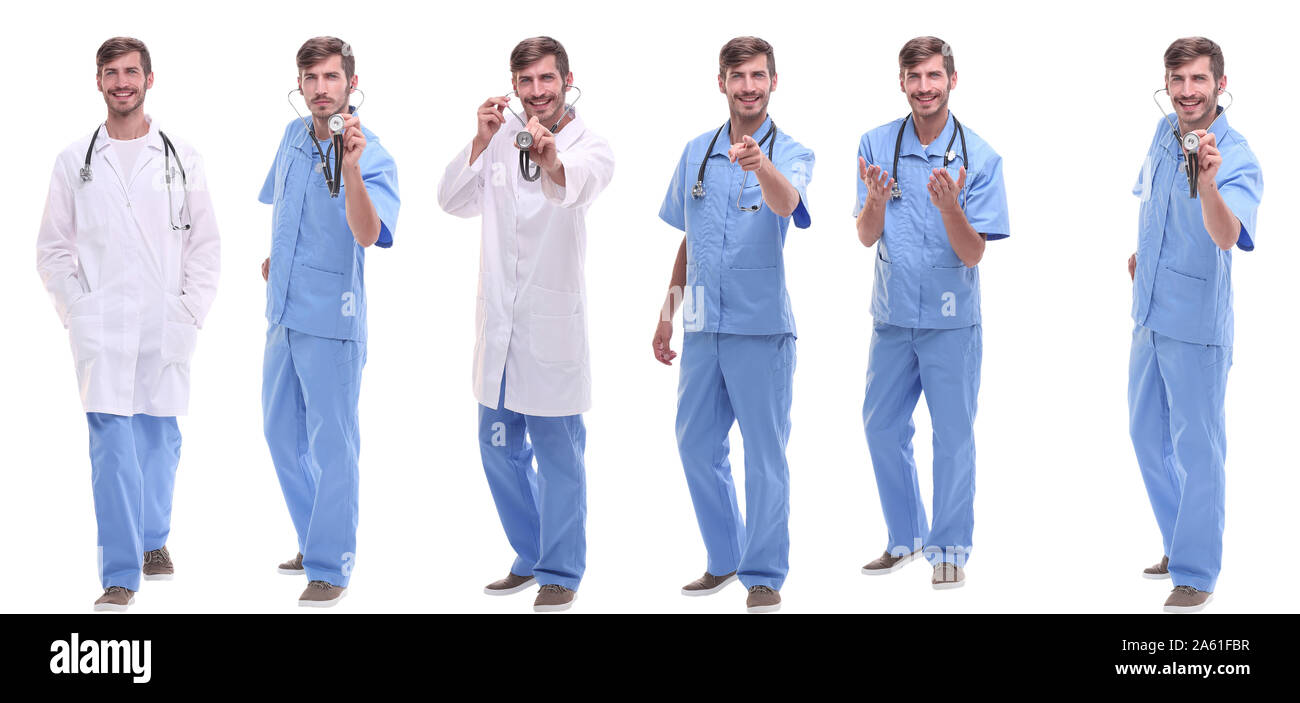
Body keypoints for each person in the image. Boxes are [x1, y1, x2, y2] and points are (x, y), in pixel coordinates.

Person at [37, 37, 221, 612]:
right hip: (103, 329)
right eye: (111, 73)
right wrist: (78, 312)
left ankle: (154, 539)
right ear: (98, 81)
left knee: (160, 444)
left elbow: (206, 244)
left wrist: (189, 311)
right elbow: (52, 250)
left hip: (164, 322)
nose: (122, 82)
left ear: (149, 79)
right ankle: (120, 573)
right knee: (111, 452)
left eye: (131, 72)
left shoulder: (181, 154)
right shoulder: (74, 161)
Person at [438, 36, 613, 613]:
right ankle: (532, 552)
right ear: (513, 84)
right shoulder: (496, 140)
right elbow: (450, 201)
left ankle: (561, 570)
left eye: (547, 80)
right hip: (501, 331)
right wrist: (480, 140)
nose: (537, 92)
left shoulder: (590, 145)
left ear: (566, 79)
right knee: (496, 448)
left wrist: (551, 159)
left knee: (559, 458)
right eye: (526, 81)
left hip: (551, 331)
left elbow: (576, 185)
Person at [653, 36, 813, 614]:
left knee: (765, 456)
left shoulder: (790, 152)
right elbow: (690, 239)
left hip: (760, 330)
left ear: (774, 82)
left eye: (759, 76)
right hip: (701, 327)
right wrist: (668, 314)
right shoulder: (697, 152)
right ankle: (725, 557)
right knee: (695, 443)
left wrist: (761, 164)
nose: (749, 85)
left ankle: (764, 573)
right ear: (721, 82)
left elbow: (788, 203)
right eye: (738, 75)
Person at [854, 37, 1009, 590]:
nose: (924, 87)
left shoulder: (980, 157)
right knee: (880, 426)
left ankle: (950, 547)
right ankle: (906, 536)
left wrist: (949, 208)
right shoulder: (875, 145)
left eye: (933, 76)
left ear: (952, 80)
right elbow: (867, 235)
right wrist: (875, 201)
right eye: (914, 77)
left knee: (952, 434)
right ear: (902, 82)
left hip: (951, 322)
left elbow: (974, 252)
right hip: (893, 318)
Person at [259, 36, 399, 608]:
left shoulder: (374, 152)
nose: (320, 88)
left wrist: (356, 170)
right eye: (311, 77)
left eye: (331, 78)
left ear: (351, 85)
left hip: (332, 323)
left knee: (333, 444)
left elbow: (369, 234)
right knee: (280, 433)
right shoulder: (293, 137)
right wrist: (278, 256)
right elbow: (287, 207)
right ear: (300, 85)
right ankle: (313, 536)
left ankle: (331, 564)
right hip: (284, 312)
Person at [1128, 37, 1261, 613]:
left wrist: (1208, 183)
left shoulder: (1239, 155)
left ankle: (1197, 570)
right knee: (1145, 436)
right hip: (1149, 312)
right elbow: (1151, 201)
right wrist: (1143, 258)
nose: (1187, 92)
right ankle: (1177, 542)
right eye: (1177, 80)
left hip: (1197, 326)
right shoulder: (1162, 135)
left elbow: (1227, 235)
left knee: (1198, 450)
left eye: (1198, 80)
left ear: (1219, 85)